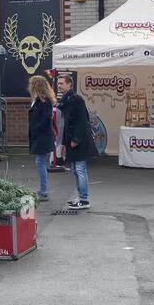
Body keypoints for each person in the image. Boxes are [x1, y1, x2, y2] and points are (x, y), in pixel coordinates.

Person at [55, 72, 95, 210]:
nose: (59, 86)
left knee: (80, 169)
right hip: (72, 140)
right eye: (58, 83)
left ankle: (84, 199)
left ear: (70, 84)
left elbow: (81, 122)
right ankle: (81, 197)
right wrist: (66, 143)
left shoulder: (76, 100)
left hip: (79, 140)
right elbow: (67, 124)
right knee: (76, 170)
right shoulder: (66, 100)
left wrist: (76, 139)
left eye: (61, 83)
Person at [27, 76, 57, 201]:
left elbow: (46, 119)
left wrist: (35, 129)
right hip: (40, 135)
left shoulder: (44, 101)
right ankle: (42, 189)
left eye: (31, 84)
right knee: (40, 163)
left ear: (36, 86)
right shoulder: (38, 100)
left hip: (42, 136)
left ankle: (43, 191)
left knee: (40, 163)